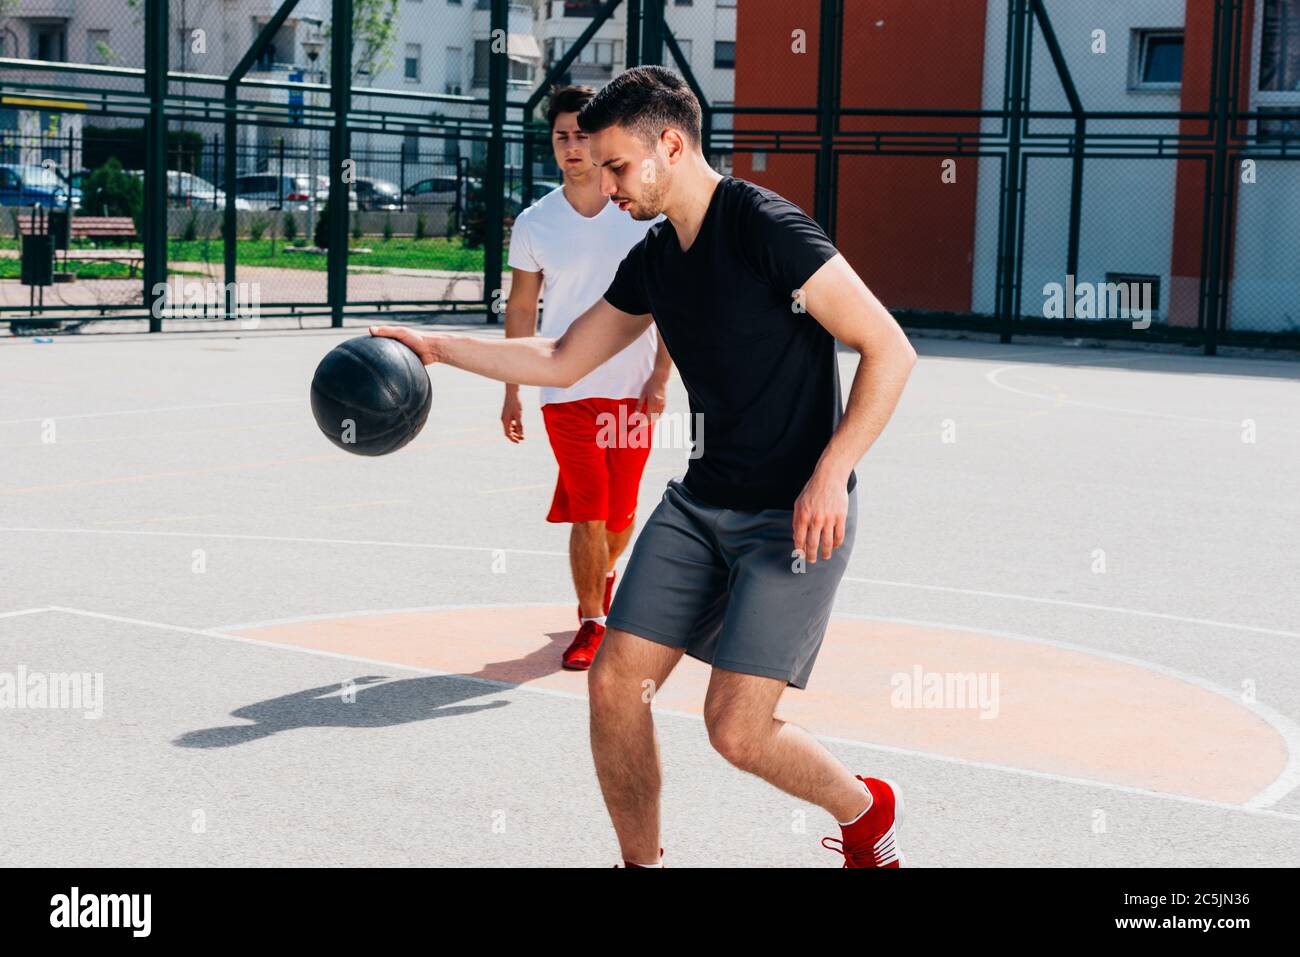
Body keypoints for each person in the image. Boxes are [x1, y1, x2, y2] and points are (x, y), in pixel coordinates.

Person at [372, 65, 916, 868]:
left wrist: (833, 470)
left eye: (619, 165)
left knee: (735, 730)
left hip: (794, 511)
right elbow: (561, 356)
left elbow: (889, 347)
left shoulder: (764, 226)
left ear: (671, 143)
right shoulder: (657, 256)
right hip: (703, 504)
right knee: (613, 684)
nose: (606, 183)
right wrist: (438, 348)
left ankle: (867, 812)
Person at [501, 84, 670, 670]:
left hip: (632, 389)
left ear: (601, 140)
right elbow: (522, 309)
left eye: (581, 135)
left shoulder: (640, 213)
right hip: (565, 387)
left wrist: (660, 376)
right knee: (590, 507)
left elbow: (668, 301)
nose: (572, 147)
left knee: (621, 511)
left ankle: (605, 575)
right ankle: (592, 620)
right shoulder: (535, 221)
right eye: (561, 137)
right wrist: (513, 388)